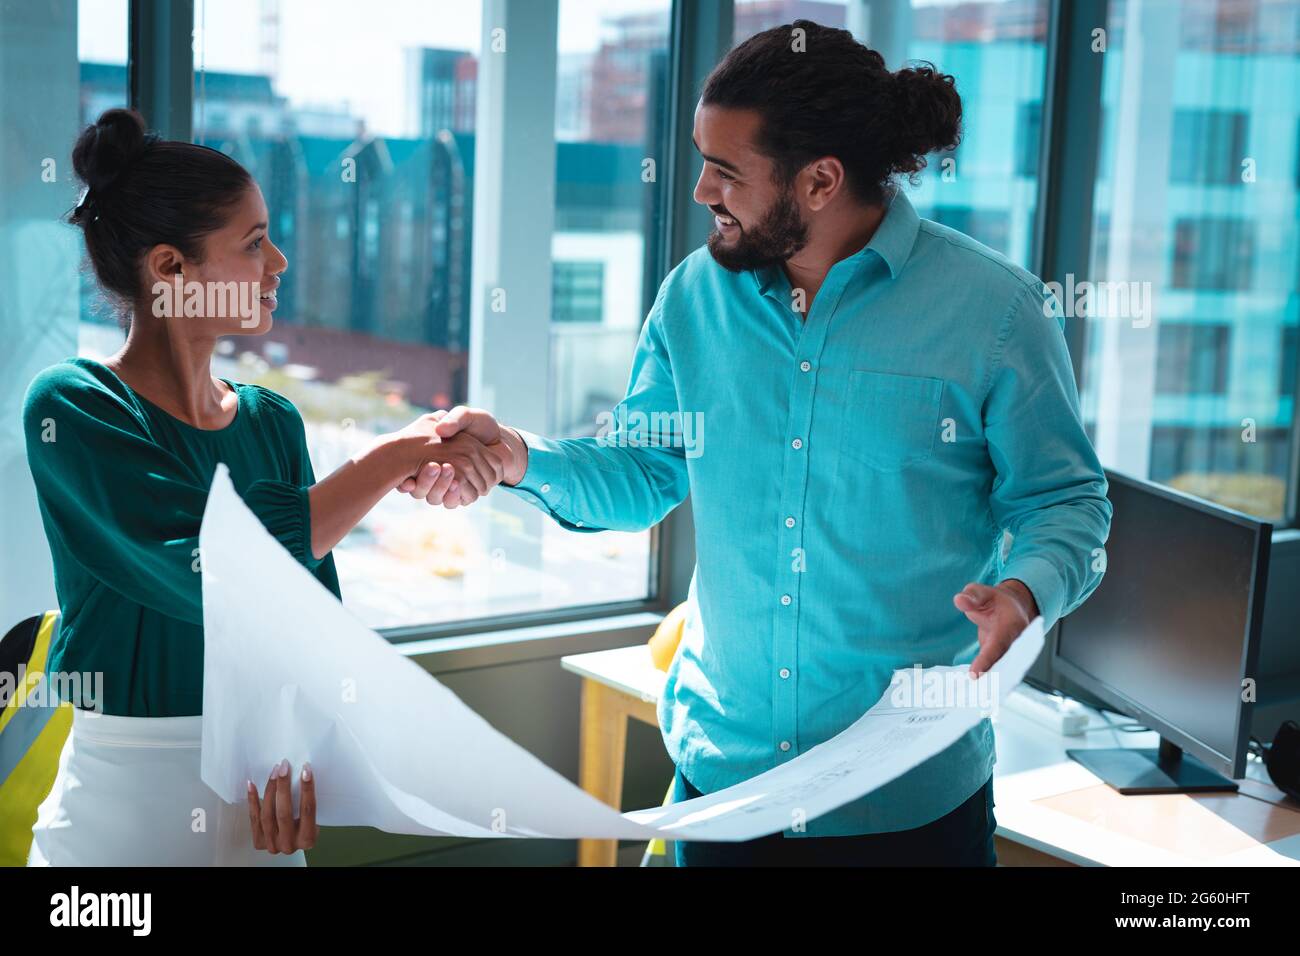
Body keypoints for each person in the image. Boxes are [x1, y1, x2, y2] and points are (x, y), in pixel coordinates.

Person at [408, 21, 1113, 866]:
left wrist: (1026, 593)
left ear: (820, 180)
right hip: (724, 791)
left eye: (727, 171)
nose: (702, 190)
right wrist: (518, 456)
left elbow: (1065, 501)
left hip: (904, 807)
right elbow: (646, 469)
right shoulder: (694, 297)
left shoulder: (997, 312)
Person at [22, 108, 508, 866]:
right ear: (170, 269)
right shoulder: (74, 407)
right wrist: (388, 458)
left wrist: (300, 752)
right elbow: (216, 573)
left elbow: (309, 620)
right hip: (119, 818)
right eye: (253, 244)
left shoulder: (272, 421)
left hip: (263, 801)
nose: (279, 262)